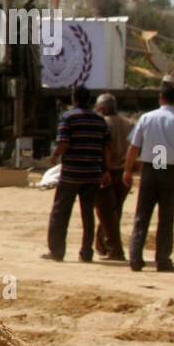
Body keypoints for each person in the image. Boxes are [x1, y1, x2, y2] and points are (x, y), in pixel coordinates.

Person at [125, 83, 174, 272]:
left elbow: (134, 147)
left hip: (151, 169)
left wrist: (127, 170)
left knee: (142, 215)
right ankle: (163, 259)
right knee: (166, 217)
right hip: (171, 172)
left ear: (160, 99)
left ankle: (135, 257)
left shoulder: (146, 118)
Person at [43, 85, 110, 263]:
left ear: (74, 99)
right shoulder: (100, 120)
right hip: (92, 174)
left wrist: (55, 155)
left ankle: (57, 251)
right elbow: (105, 148)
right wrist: (105, 170)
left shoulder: (68, 117)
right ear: (89, 100)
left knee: (60, 212)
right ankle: (86, 252)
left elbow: (64, 143)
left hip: (71, 174)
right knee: (88, 214)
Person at [93, 93, 131, 261]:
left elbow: (102, 149)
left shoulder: (102, 123)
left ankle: (115, 249)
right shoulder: (129, 124)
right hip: (123, 172)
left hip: (107, 172)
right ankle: (102, 246)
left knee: (106, 213)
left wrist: (103, 171)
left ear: (101, 108)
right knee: (115, 212)